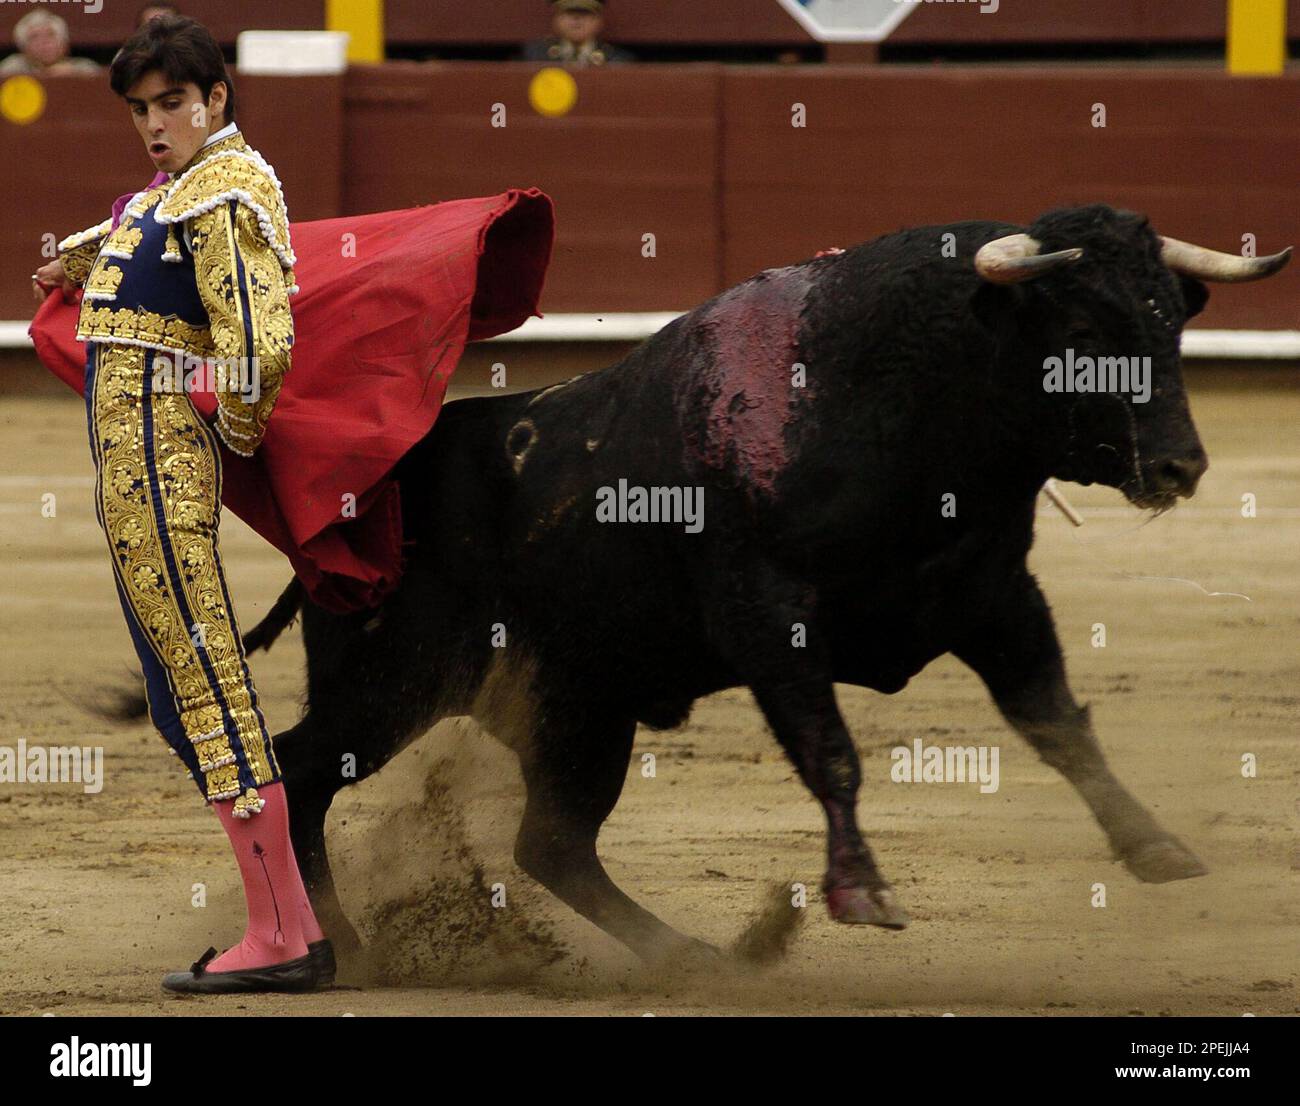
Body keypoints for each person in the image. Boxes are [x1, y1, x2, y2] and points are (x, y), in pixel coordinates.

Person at [33, 15, 331, 995]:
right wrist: (71, 263)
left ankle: (284, 930)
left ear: (215, 100)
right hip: (134, 484)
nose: (155, 123)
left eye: (172, 103)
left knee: (204, 679)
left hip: (161, 471)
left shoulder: (229, 192)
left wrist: (227, 426)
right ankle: (292, 895)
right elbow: (123, 237)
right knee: (176, 689)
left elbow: (260, 338)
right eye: (141, 109)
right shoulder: (181, 191)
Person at [520, 0, 634, 66]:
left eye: (585, 13)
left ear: (598, 21)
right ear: (556, 19)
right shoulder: (535, 56)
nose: (577, 19)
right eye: (569, 12)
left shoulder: (616, 61)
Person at [0, 11, 98, 76]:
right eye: (34, 37)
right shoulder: (12, 68)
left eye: (50, 35)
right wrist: (47, 74)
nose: (43, 42)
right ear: (23, 48)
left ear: (64, 44)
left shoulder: (83, 69)